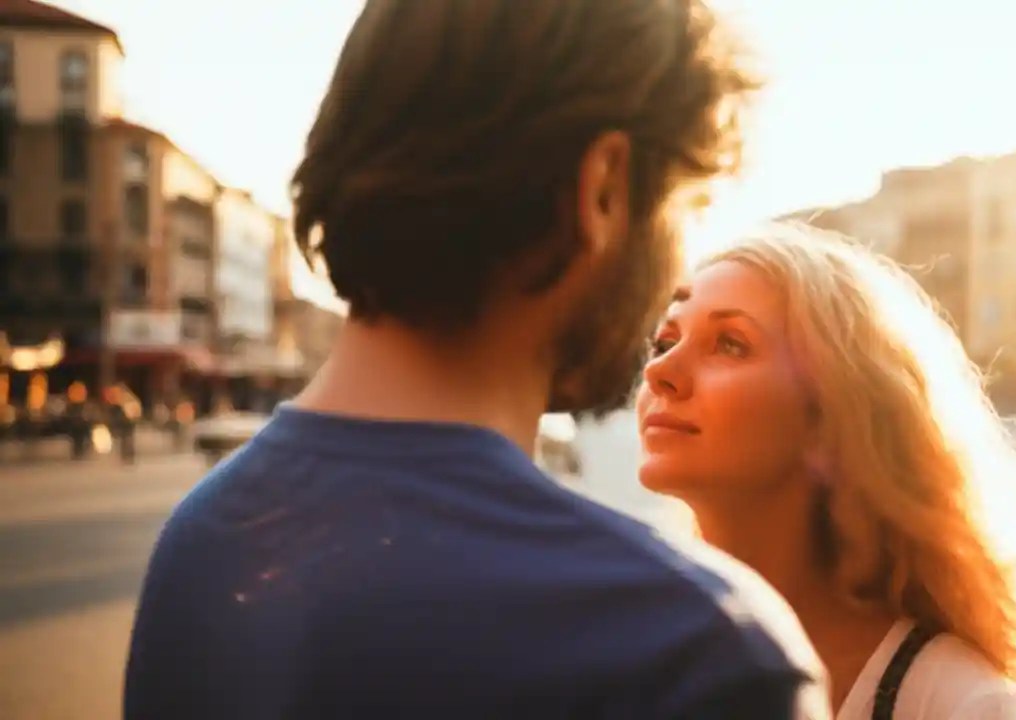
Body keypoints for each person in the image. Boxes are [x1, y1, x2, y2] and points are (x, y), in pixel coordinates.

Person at [125, 2, 829, 719]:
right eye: (689, 210)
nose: (678, 274)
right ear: (604, 189)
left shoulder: (201, 546)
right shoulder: (699, 656)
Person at [637, 224, 1016, 719]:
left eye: (730, 343)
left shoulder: (957, 703)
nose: (659, 372)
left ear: (831, 420)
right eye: (664, 341)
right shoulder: (635, 649)